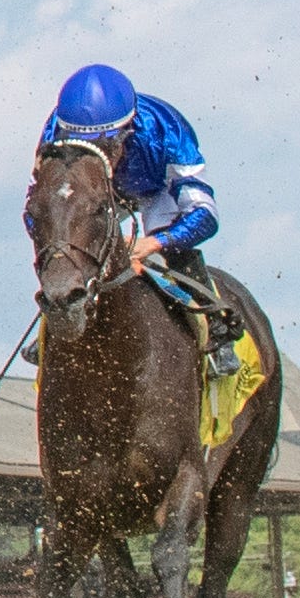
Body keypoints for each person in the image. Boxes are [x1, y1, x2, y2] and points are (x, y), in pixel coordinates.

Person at [41, 63, 236, 375]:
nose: (99, 152)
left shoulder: (166, 130)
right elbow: (41, 207)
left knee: (172, 249)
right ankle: (51, 327)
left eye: (106, 143)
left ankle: (217, 331)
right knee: (69, 242)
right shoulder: (56, 129)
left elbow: (206, 215)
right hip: (96, 192)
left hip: (155, 190)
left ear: (127, 130)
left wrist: (155, 242)